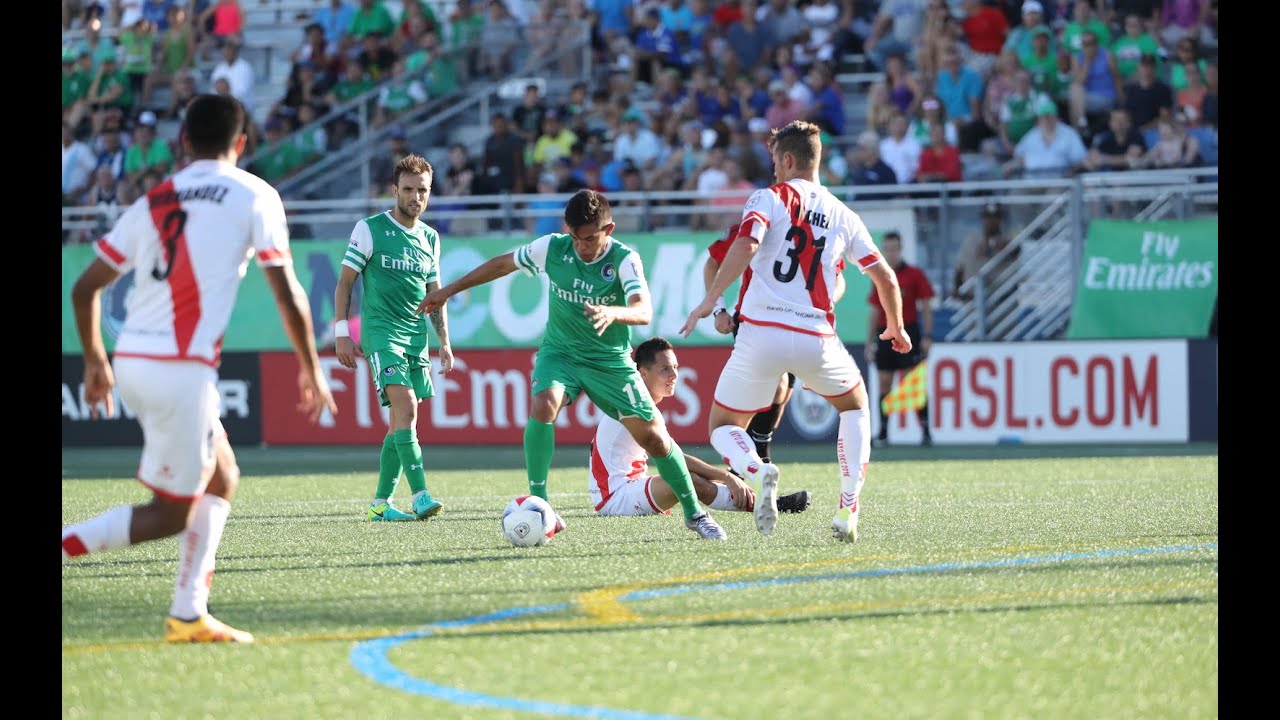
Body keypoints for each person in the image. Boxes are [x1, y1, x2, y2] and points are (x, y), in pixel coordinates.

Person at [63, 94, 338, 643]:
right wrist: (311, 366)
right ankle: (174, 606)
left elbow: (85, 287)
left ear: (183, 141)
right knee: (170, 514)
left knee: (223, 475)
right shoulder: (254, 193)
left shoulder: (153, 199)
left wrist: (96, 362)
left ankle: (189, 611)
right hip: (179, 369)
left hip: (136, 360)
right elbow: (286, 291)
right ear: (241, 143)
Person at [418, 189, 729, 540]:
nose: (582, 247)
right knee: (543, 404)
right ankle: (541, 501)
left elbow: (644, 311)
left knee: (656, 440)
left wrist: (614, 312)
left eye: (590, 238)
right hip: (561, 353)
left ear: (608, 230)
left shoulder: (625, 260)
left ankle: (694, 513)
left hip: (609, 361)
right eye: (576, 238)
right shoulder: (553, 248)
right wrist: (449, 290)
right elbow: (503, 264)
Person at [679, 120, 911, 543]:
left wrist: (710, 302)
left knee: (721, 425)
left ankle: (756, 468)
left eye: (774, 162)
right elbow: (886, 278)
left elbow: (746, 245)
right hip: (815, 336)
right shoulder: (844, 215)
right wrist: (895, 325)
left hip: (760, 332)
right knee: (856, 407)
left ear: (787, 160)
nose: (773, 170)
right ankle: (848, 508)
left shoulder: (767, 199)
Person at [334, 153, 451, 523]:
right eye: (409, 190)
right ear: (394, 191)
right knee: (408, 408)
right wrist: (341, 333)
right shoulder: (369, 229)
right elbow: (345, 284)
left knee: (402, 421)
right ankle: (420, 496)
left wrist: (444, 341)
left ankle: (380, 504)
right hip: (382, 335)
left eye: (423, 191)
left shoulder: (430, 238)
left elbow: (435, 295)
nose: (416, 197)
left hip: (416, 338)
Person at [590, 336, 813, 517]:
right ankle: (765, 505)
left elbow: (674, 457)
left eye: (675, 367)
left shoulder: (640, 402)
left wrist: (724, 477)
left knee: (685, 475)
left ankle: (761, 500)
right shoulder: (636, 407)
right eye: (665, 369)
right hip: (615, 497)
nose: (674, 375)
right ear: (643, 373)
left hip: (631, 487)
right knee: (686, 479)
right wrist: (726, 477)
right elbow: (674, 458)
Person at [704, 222, 846, 468]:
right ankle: (752, 460)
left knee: (783, 392)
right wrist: (718, 309)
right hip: (756, 319)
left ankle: (754, 459)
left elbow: (837, 277)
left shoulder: (818, 224)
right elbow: (713, 263)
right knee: (772, 387)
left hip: (800, 321)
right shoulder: (759, 222)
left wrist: (826, 302)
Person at [866, 231, 934, 448]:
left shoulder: (914, 274)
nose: (891, 252)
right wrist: (869, 342)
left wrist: (927, 336)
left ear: (901, 249)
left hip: (909, 332)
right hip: (885, 333)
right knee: (885, 382)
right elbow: (875, 311)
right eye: (887, 248)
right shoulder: (881, 275)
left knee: (915, 383)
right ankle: (884, 433)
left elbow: (925, 305)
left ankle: (926, 431)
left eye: (894, 248)